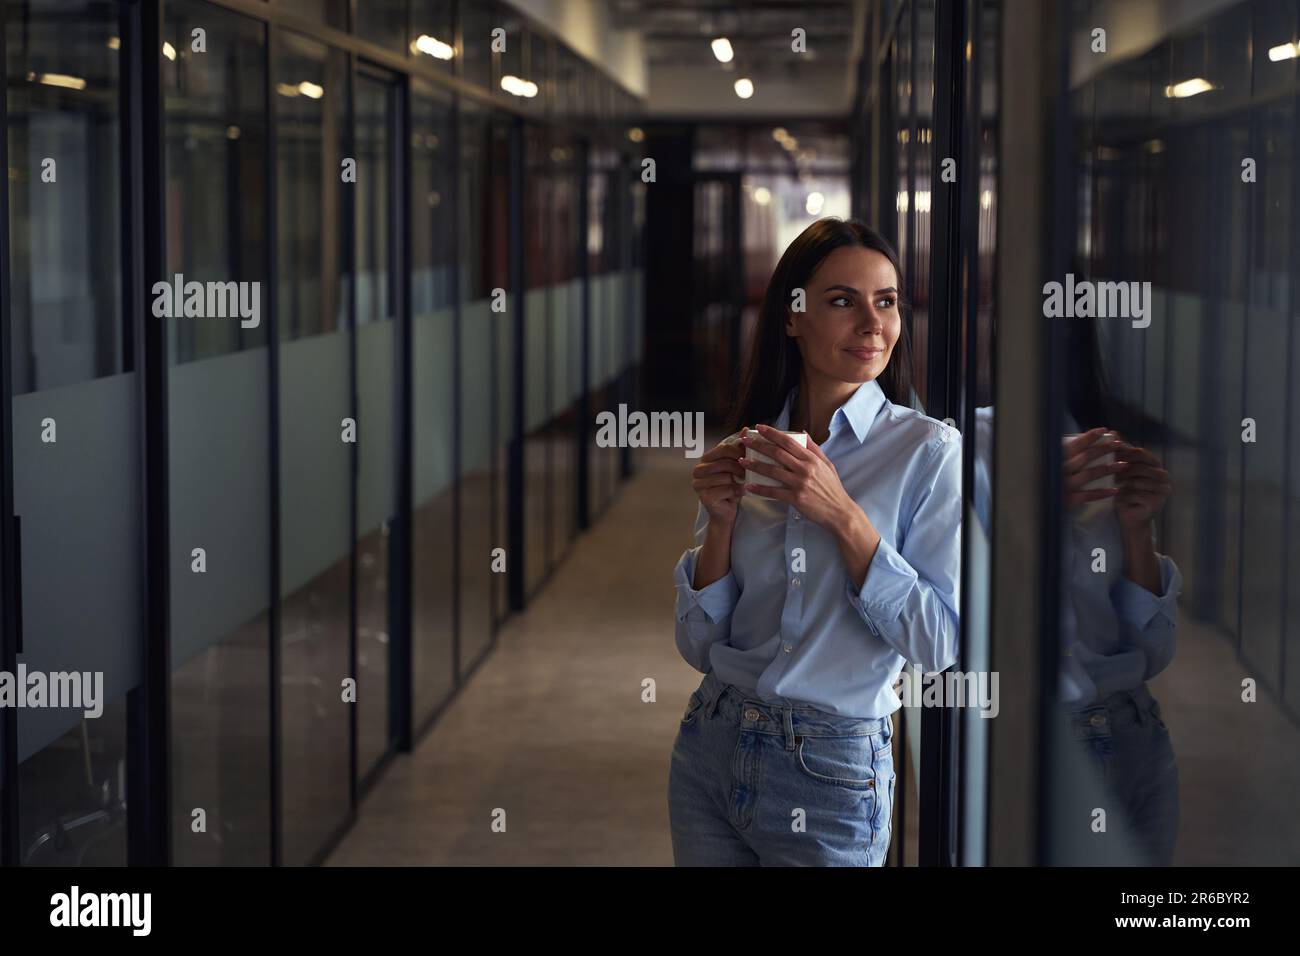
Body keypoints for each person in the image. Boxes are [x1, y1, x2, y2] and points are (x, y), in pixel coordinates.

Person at [666, 218, 962, 866]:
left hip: (831, 768)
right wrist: (718, 524)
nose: (872, 323)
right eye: (841, 301)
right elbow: (699, 648)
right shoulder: (752, 446)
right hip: (711, 747)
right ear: (792, 318)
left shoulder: (929, 453)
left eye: (886, 302)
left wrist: (844, 517)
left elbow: (938, 643)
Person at [971, 314, 1181, 865]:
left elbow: (1152, 649)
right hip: (1047, 736)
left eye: (1066, 325)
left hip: (1137, 730)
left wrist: (1139, 528)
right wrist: (1039, 506)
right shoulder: (972, 446)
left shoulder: (1105, 443)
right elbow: (959, 610)